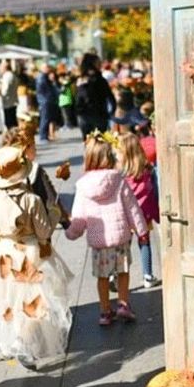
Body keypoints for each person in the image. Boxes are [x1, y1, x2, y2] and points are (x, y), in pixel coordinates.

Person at [0, 146, 73, 368]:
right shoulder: (32, 200)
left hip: (3, 256)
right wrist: (55, 212)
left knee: (8, 300)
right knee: (34, 301)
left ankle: (18, 341)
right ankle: (27, 343)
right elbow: (44, 232)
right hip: (30, 254)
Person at [66, 132, 149, 326]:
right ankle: (123, 304)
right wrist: (141, 231)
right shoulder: (118, 180)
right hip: (120, 233)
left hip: (97, 235)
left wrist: (72, 232)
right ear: (109, 157)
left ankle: (105, 311)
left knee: (101, 276)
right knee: (122, 271)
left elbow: (79, 216)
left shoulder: (83, 186)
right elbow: (132, 207)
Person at [3, 118, 69, 230]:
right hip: (36, 226)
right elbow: (51, 199)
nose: (36, 148)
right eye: (33, 144)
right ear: (25, 148)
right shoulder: (35, 170)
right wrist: (65, 220)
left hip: (11, 227)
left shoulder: (2, 170)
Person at [117, 132, 160, 289]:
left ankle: (118, 274)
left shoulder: (121, 175)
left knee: (123, 246)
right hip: (144, 215)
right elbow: (154, 193)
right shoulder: (147, 171)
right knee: (144, 242)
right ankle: (147, 275)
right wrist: (157, 215)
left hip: (125, 216)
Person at [75, 53, 116, 140]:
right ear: (93, 63)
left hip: (84, 114)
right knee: (100, 141)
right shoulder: (99, 79)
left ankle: (90, 153)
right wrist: (112, 110)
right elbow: (109, 96)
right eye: (98, 62)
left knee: (88, 141)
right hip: (99, 114)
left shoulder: (81, 79)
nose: (100, 64)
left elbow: (78, 97)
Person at [35, 63, 61, 144]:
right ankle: (43, 137)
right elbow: (44, 90)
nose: (48, 69)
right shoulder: (41, 77)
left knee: (47, 118)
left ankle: (45, 136)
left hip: (47, 100)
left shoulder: (44, 77)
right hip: (45, 101)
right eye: (47, 68)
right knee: (45, 119)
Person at [0, 60, 19, 130]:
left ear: (5, 68)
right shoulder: (13, 75)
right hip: (13, 101)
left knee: (9, 123)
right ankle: (15, 137)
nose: (0, 70)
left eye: (0, 68)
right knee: (13, 121)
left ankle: (13, 138)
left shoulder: (7, 76)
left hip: (8, 102)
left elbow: (5, 90)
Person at [57, 64, 77, 129]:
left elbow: (62, 89)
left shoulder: (66, 82)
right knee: (67, 113)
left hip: (65, 100)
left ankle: (68, 125)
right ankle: (68, 124)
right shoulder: (68, 81)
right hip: (67, 99)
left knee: (66, 114)